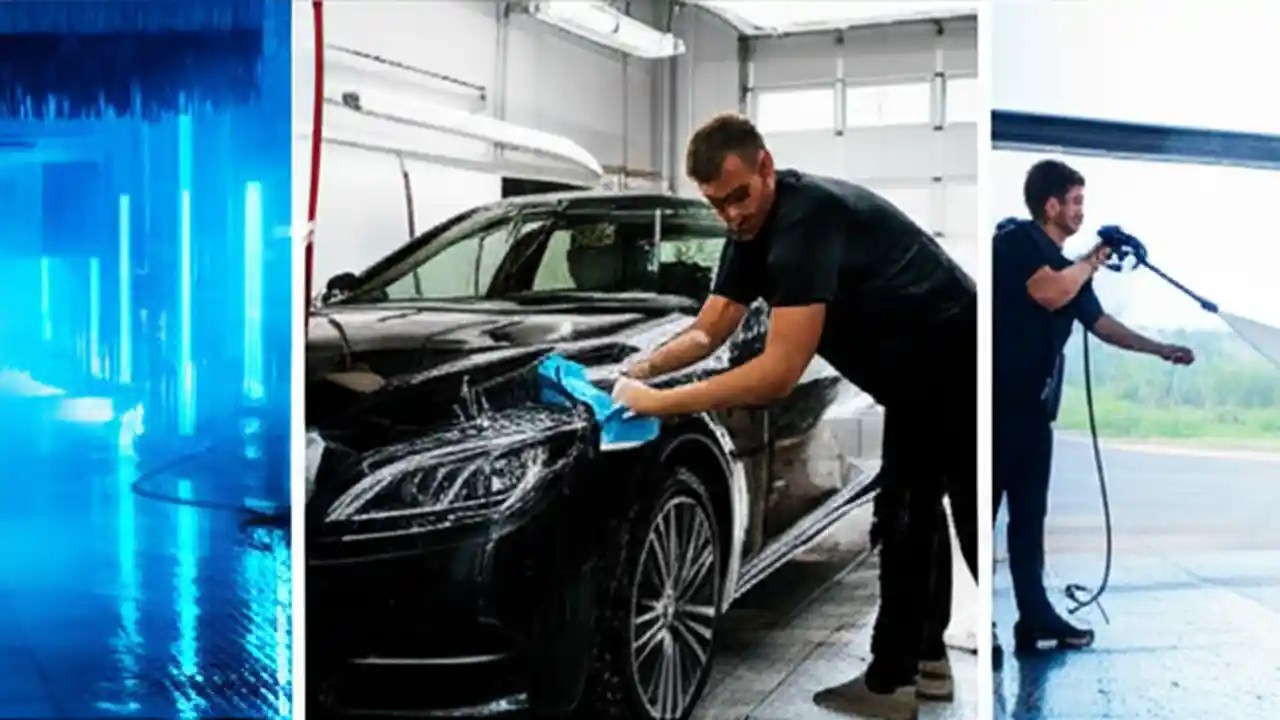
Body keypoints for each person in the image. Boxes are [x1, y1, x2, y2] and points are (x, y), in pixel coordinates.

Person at [612, 112, 977, 719]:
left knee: (945, 515)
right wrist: (640, 371)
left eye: (738, 197)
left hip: (956, 362)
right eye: (715, 204)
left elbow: (779, 372)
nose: (731, 214)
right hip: (919, 379)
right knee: (910, 510)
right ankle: (918, 669)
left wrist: (659, 403)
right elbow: (709, 330)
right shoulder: (749, 231)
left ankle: (898, 682)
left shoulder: (806, 220)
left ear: (766, 168)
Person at [991, 159, 1195, 666]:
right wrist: (1096, 256)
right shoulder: (1016, 242)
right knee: (982, 517)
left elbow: (1100, 324)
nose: (1082, 210)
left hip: (1036, 416)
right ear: (1051, 204)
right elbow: (1048, 291)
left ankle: (1034, 616)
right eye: (1076, 201)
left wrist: (1160, 349)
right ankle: (977, 624)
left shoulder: (1068, 264)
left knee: (1028, 521)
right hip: (995, 410)